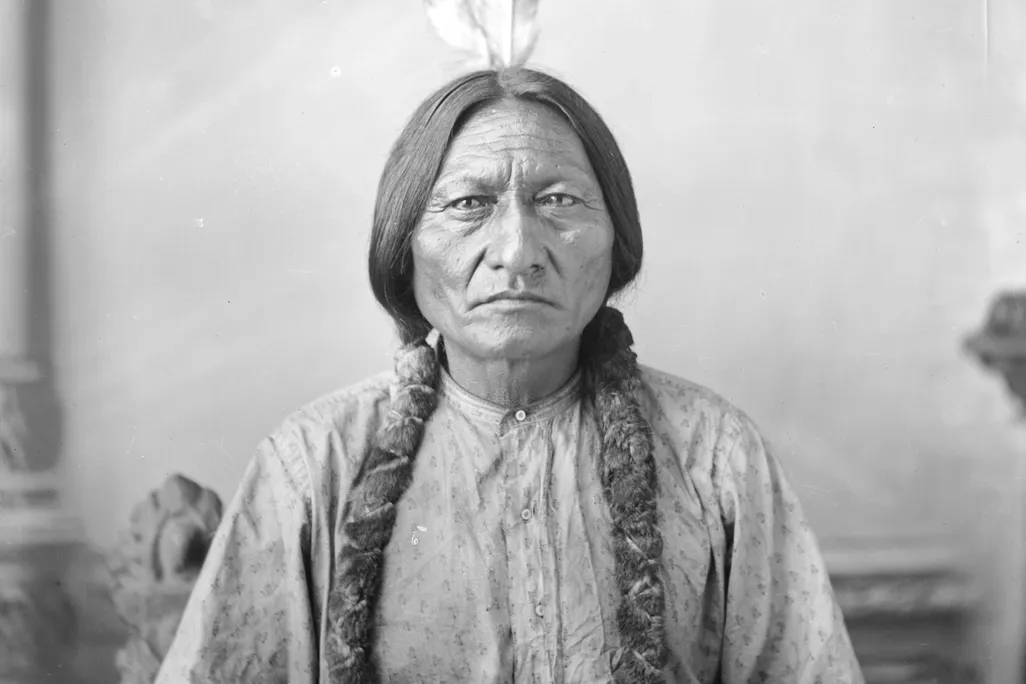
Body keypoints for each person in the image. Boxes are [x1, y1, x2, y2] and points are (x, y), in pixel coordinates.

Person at [155, 67, 864, 683]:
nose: (518, 250)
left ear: (617, 238)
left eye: (559, 201)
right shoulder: (313, 466)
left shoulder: (715, 456)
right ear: (404, 245)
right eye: (468, 204)